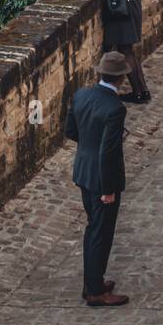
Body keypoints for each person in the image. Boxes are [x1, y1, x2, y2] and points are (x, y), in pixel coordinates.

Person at [65, 51, 131, 307]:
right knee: (100, 232)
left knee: (94, 227)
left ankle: (94, 280)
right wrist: (107, 189)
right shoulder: (115, 108)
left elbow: (71, 130)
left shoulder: (82, 95)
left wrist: (89, 146)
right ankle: (94, 290)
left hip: (83, 170)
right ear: (121, 78)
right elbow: (108, 152)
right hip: (102, 180)